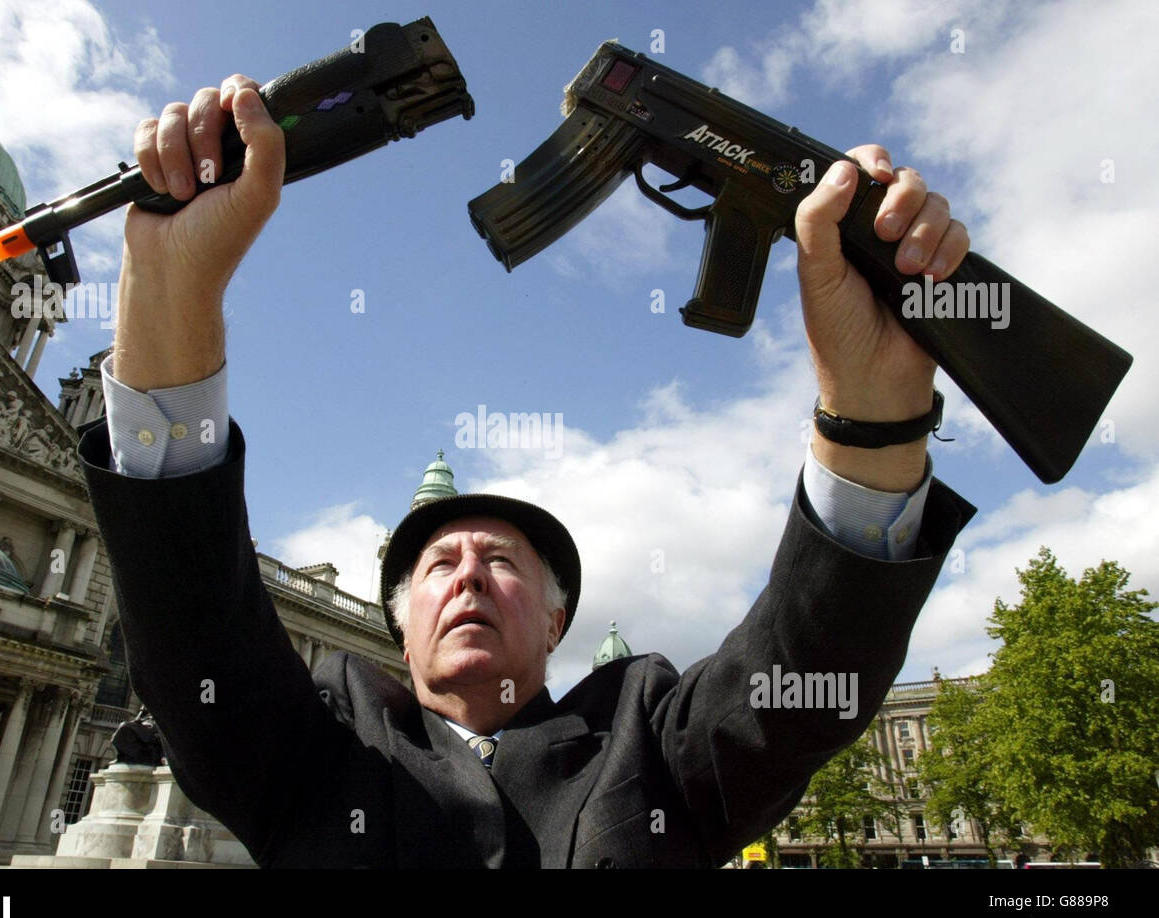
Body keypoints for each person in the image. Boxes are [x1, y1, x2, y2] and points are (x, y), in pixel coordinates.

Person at [76, 75, 976, 867]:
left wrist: (872, 418)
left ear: (556, 622)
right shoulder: (320, 745)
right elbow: (192, 619)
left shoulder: (656, 741)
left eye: (502, 560)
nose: (467, 571)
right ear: (399, 626)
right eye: (437, 563)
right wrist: (167, 291)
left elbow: (807, 668)